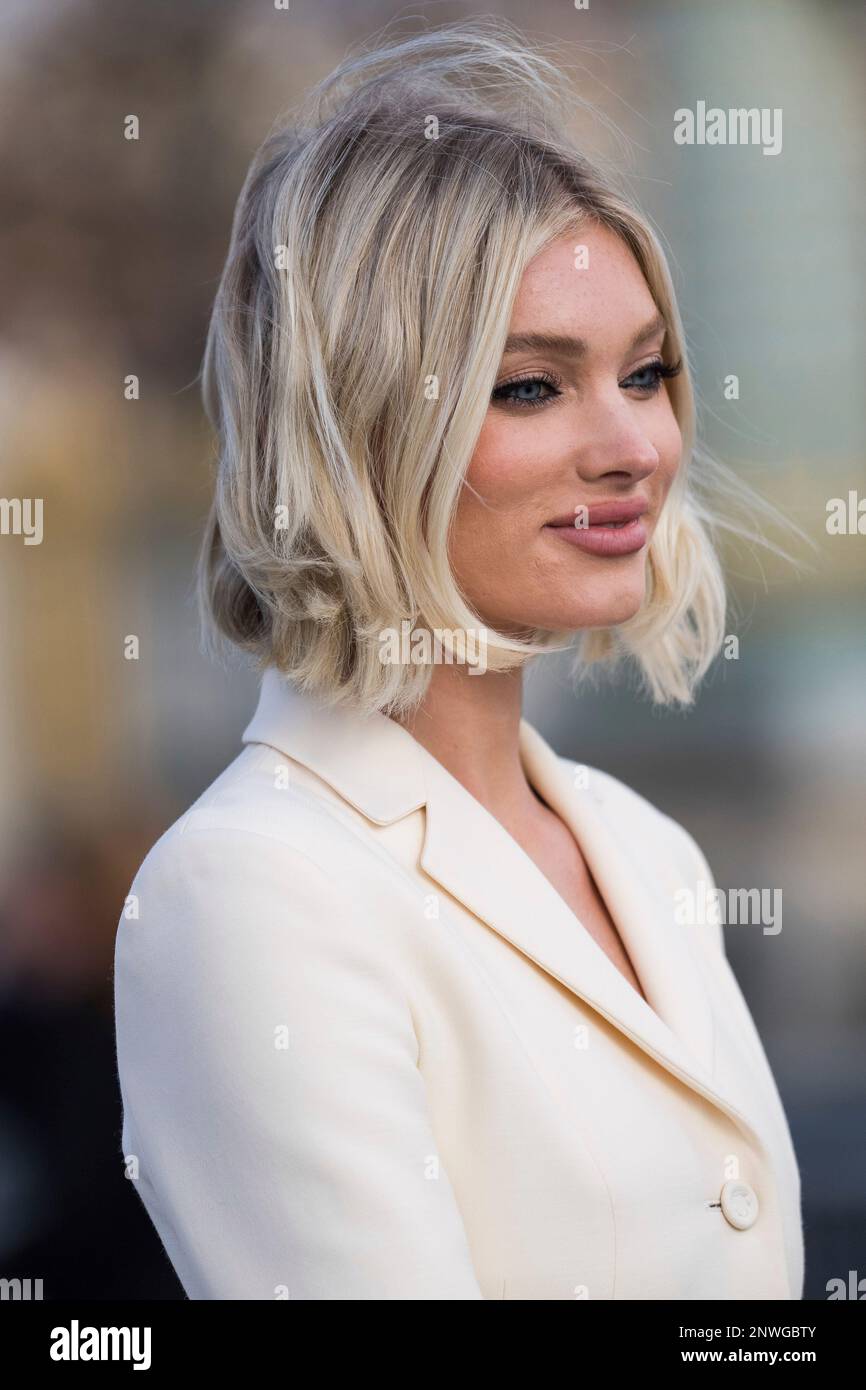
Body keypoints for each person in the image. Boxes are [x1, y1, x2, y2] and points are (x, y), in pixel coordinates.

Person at [113, 19, 804, 1300]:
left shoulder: (643, 846)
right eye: (531, 387)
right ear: (363, 427)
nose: (634, 447)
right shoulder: (251, 890)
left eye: (644, 373)